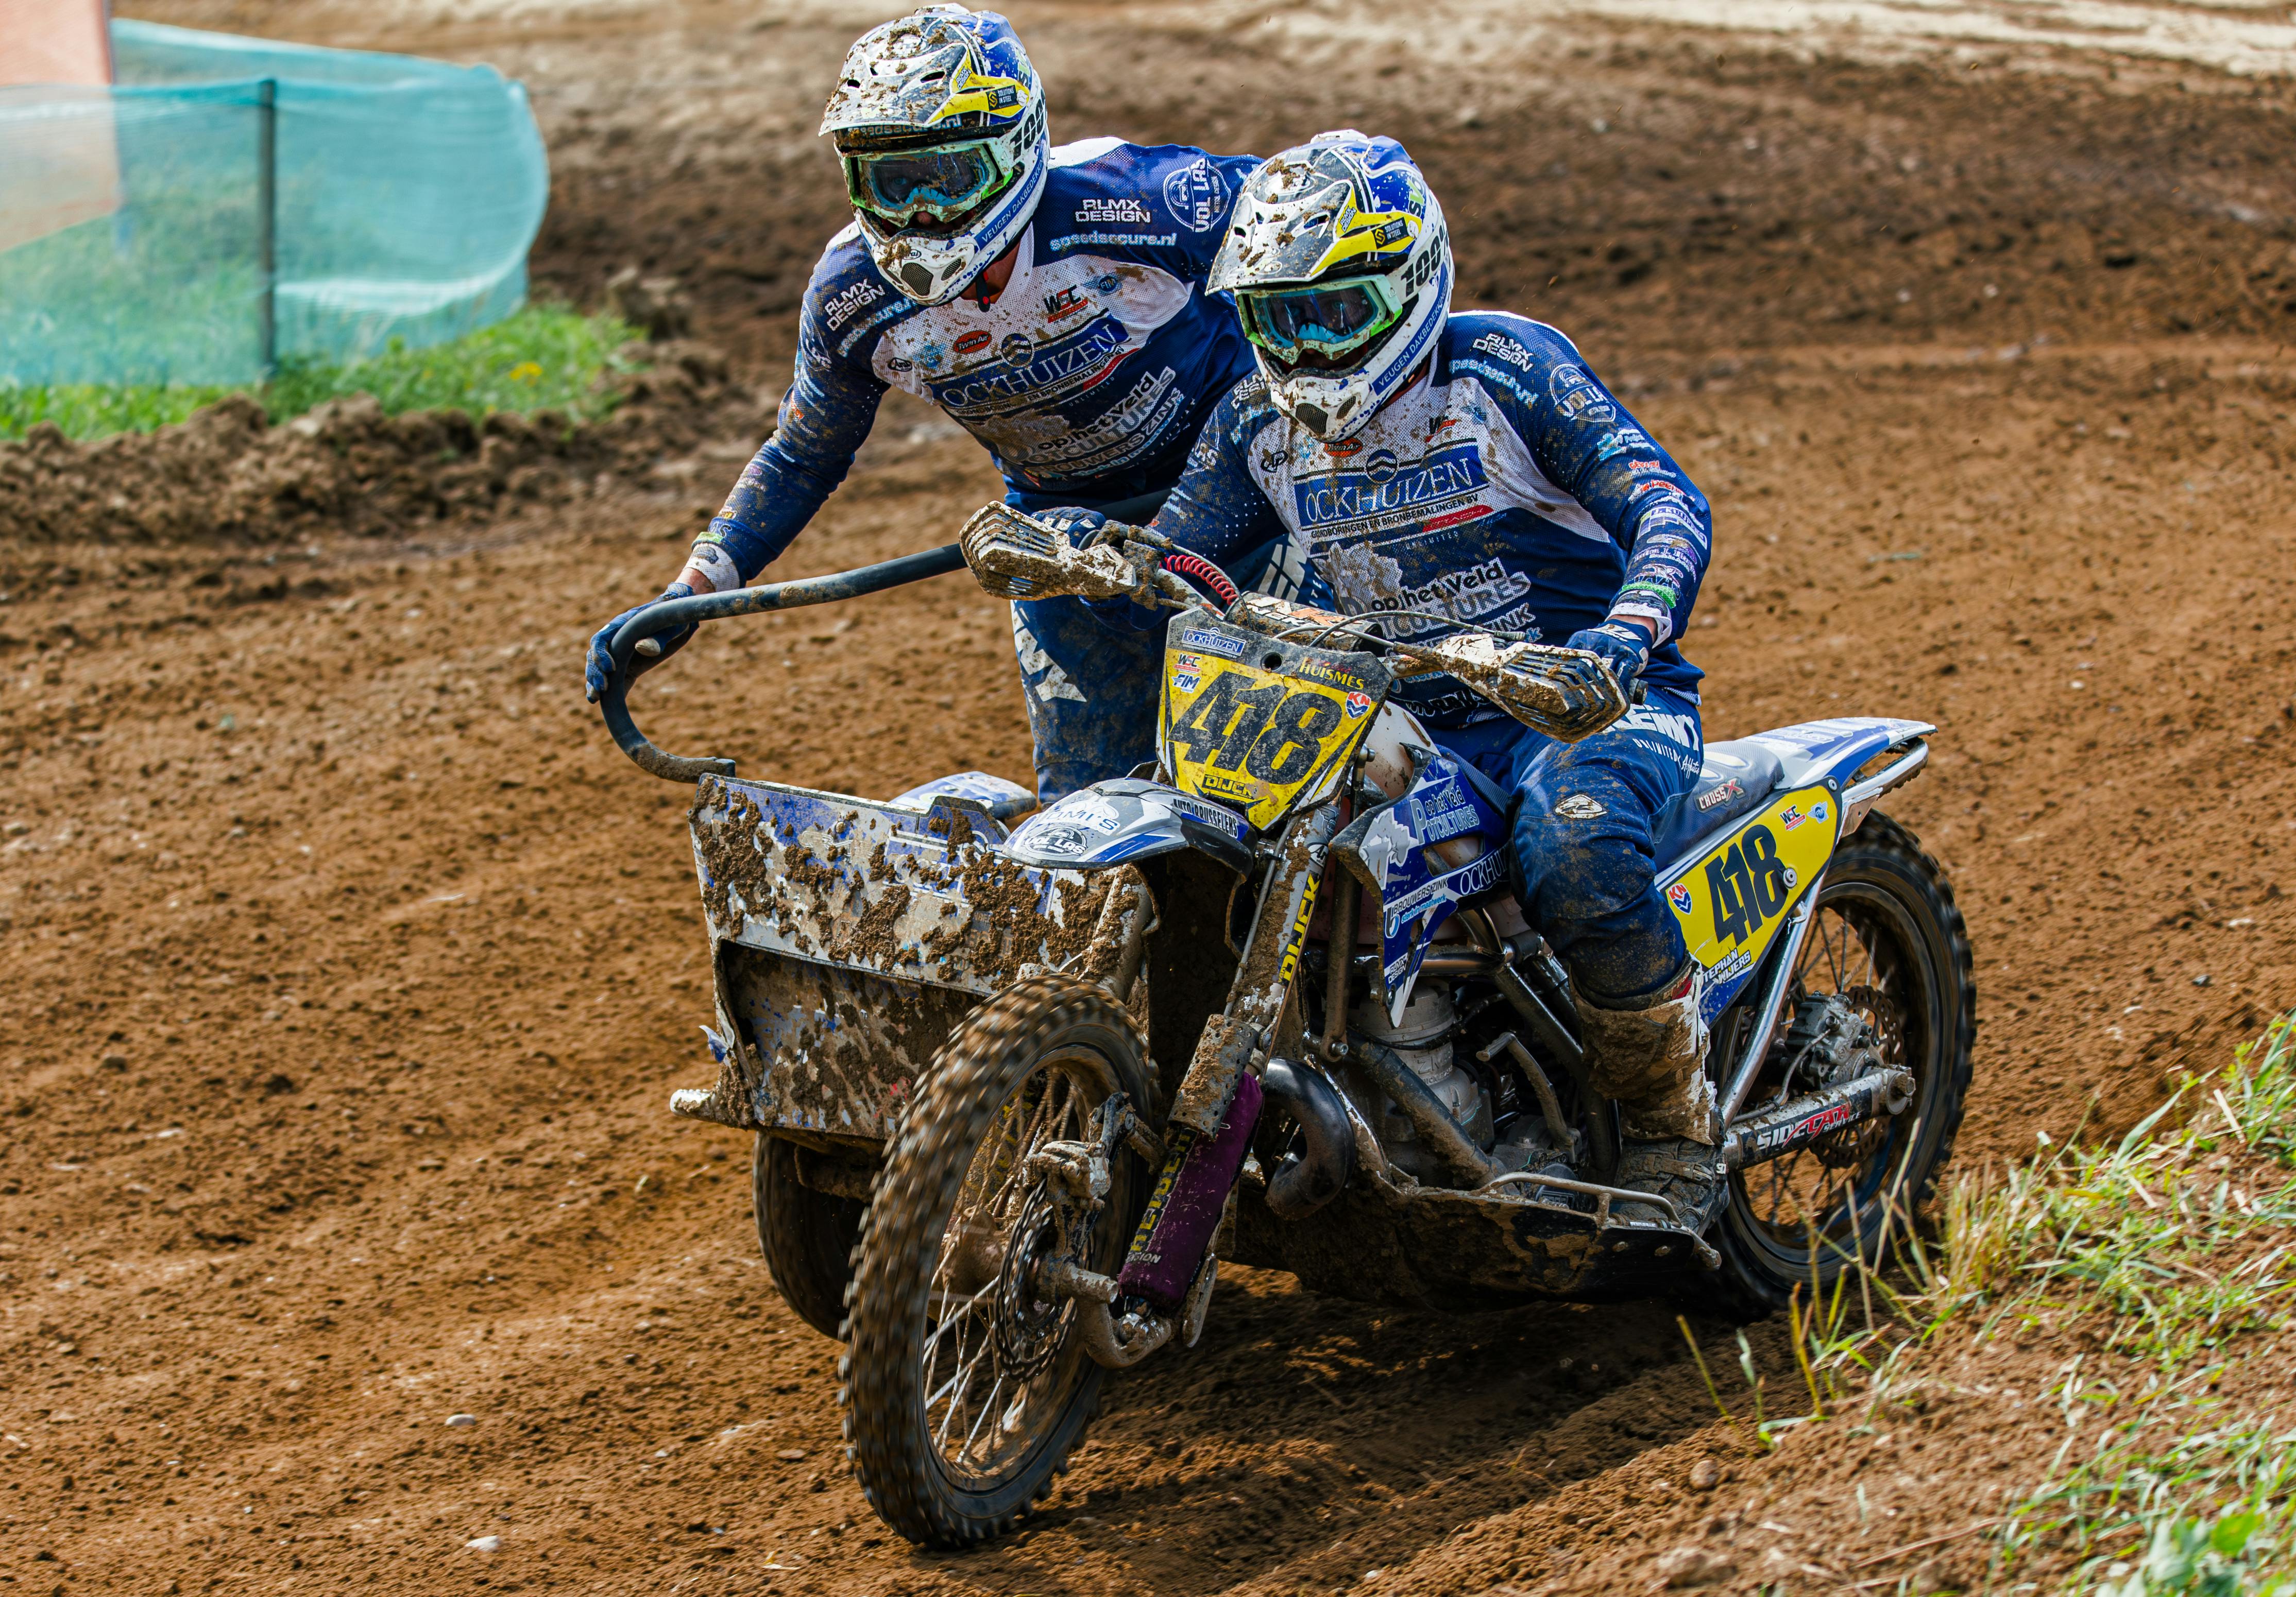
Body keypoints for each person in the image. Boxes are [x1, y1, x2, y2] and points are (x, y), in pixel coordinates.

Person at [1001, 132, 1724, 1224]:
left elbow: (1663, 504)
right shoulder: (1255, 416)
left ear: (1410, 281)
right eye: (1278, 318)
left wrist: (1623, 635)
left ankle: (1675, 1127)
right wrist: (1103, 555)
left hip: (1578, 705)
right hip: (1385, 713)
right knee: (1227, 839)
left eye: (1334, 312)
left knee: (1571, 843)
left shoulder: (1506, 371)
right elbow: (1187, 551)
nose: (1306, 345)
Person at [582, 4, 1267, 798]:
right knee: (1091, 812)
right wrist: (692, 592)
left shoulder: (1144, 203)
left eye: (944, 180)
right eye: (888, 184)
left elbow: (1328, 260)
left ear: (1012, 149)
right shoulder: (853, 296)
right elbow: (805, 452)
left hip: (1246, 502)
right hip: (1061, 548)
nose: (919, 218)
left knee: (1275, 782)